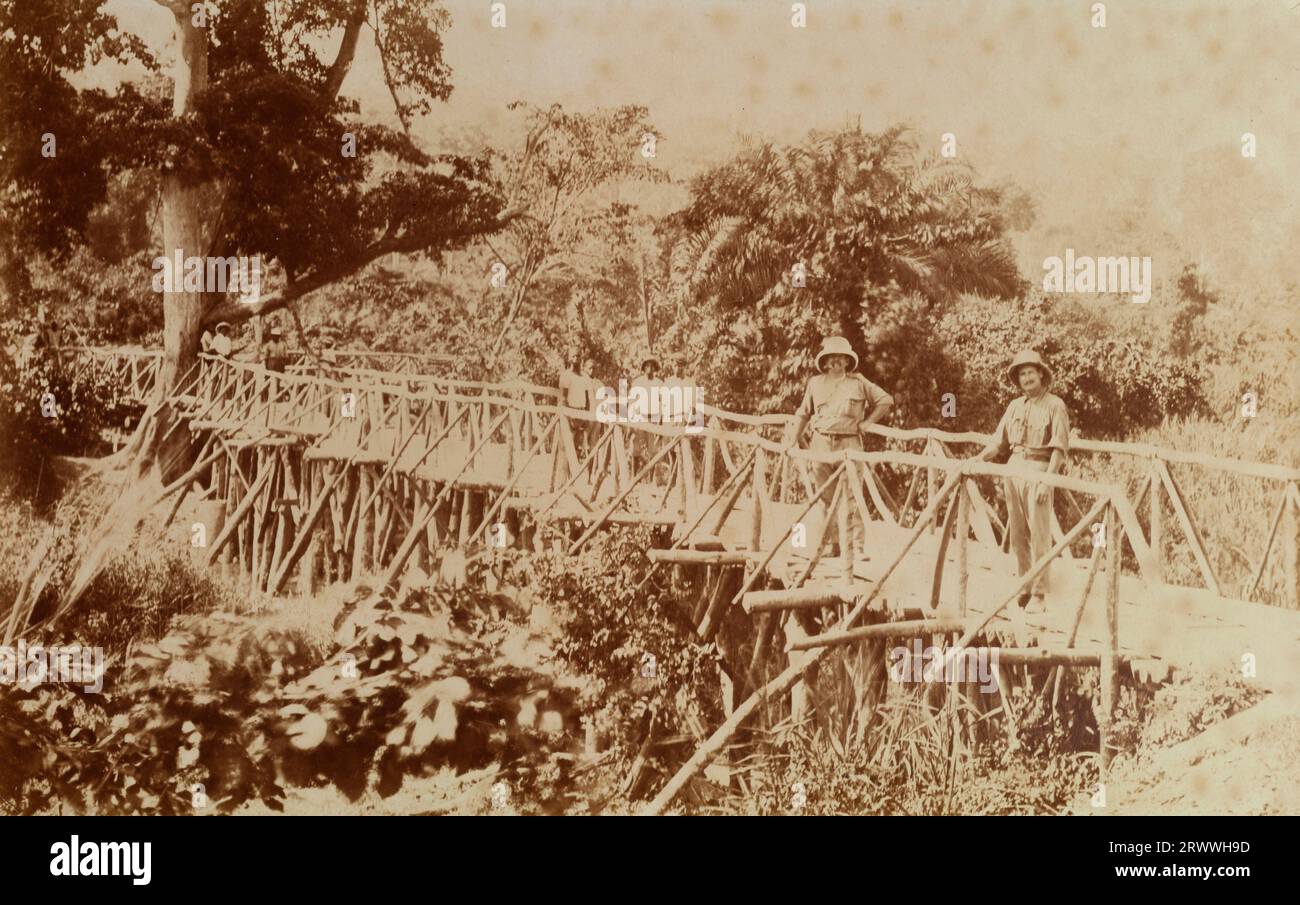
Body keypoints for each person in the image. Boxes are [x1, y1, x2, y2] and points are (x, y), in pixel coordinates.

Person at [976, 350, 1071, 614]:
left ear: (1041, 374)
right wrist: (977, 458)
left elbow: (1059, 449)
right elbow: (999, 442)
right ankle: (1024, 586)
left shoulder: (1055, 405)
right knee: (1017, 535)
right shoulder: (1015, 406)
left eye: (1030, 372)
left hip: (1039, 469)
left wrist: (1046, 481)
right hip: (1014, 468)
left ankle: (1039, 594)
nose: (1026, 378)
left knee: (1040, 534)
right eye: (1022, 374)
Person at [787, 335, 894, 558]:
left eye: (840, 357)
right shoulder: (815, 384)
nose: (836, 361)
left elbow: (885, 400)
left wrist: (867, 423)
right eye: (831, 357)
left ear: (847, 361)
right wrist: (791, 441)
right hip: (821, 444)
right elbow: (803, 413)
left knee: (852, 495)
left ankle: (856, 547)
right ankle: (830, 544)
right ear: (824, 362)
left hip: (849, 444)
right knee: (824, 496)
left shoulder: (858, 383)